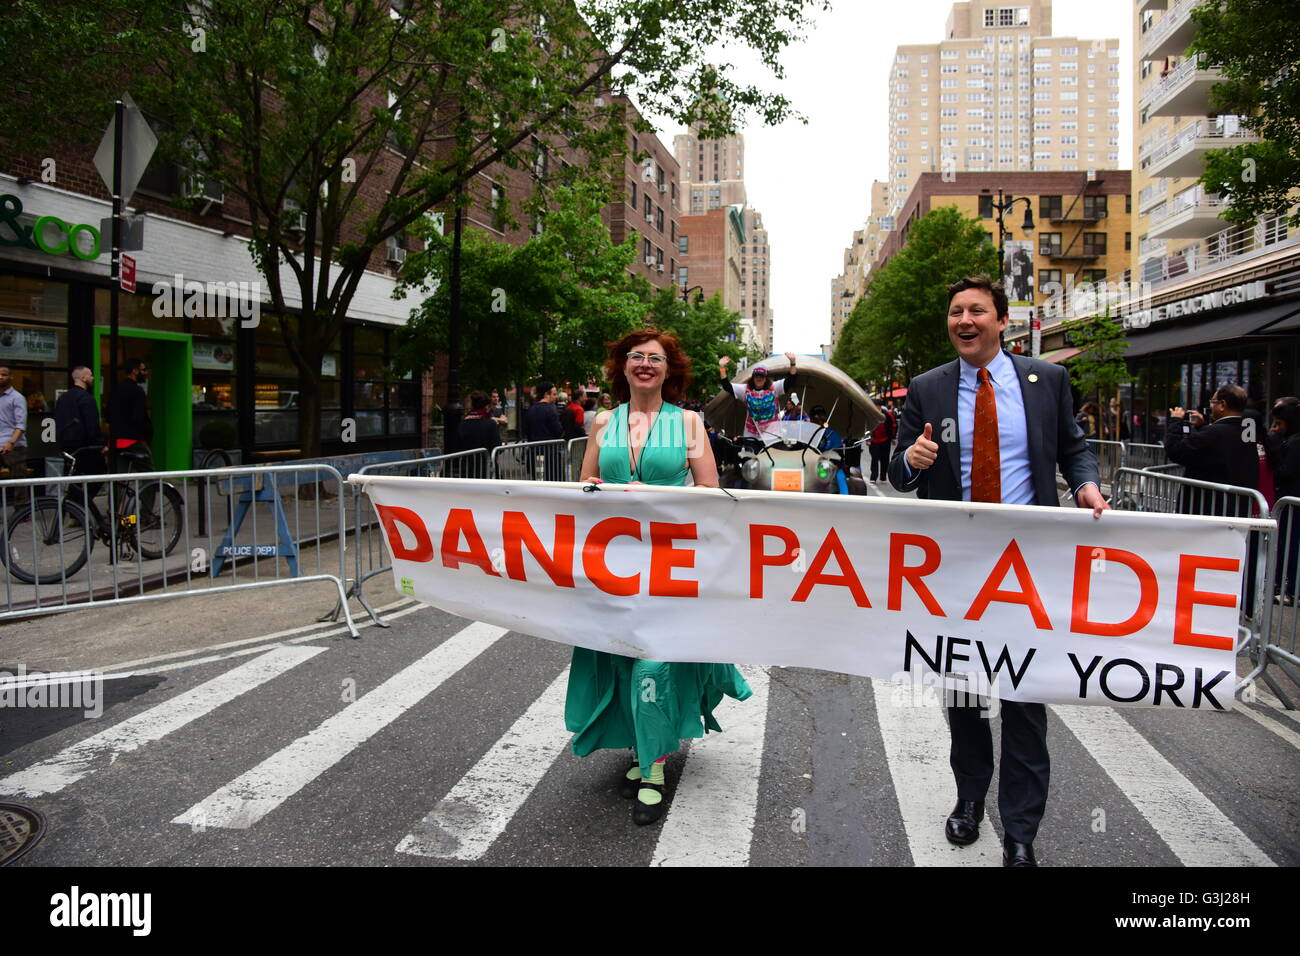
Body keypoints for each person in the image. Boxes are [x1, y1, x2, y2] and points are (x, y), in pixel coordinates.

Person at [888, 275, 1107, 868]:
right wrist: (911, 459)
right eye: (956, 312)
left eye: (977, 311)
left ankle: (1021, 831)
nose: (964, 320)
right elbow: (897, 474)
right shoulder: (927, 389)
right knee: (963, 693)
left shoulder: (1047, 380)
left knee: (1025, 698)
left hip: (1029, 564)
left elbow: (1073, 446)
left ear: (1002, 321)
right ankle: (968, 801)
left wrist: (1085, 485)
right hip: (957, 566)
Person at [572, 329, 752, 825]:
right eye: (637, 357)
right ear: (623, 366)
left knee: (655, 665)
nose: (646, 364)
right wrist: (602, 491)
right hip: (614, 566)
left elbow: (711, 492)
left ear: (669, 370)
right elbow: (584, 484)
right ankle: (640, 749)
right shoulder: (604, 421)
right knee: (624, 662)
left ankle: (652, 770)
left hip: (669, 564)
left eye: (656, 358)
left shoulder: (689, 422)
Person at [1164, 384, 1259, 515]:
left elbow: (1175, 450)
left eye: (1213, 402)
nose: (1210, 406)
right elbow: (1220, 448)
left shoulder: (1214, 432)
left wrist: (1175, 421)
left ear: (1222, 404)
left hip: (1210, 509)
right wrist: (1203, 427)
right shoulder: (1247, 430)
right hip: (1238, 505)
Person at [718, 352, 799, 440]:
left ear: (766, 378)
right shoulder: (745, 390)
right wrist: (722, 367)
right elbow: (726, 386)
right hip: (751, 434)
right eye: (756, 376)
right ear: (753, 378)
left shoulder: (774, 388)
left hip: (771, 434)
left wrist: (793, 362)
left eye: (762, 376)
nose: (759, 378)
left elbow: (791, 380)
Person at [1266, 399, 1300, 604]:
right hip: (1290, 501)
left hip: (1291, 501)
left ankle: (1290, 589)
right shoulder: (1291, 440)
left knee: (1290, 545)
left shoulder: (1294, 443)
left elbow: (1286, 472)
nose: (1276, 428)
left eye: (1279, 423)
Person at [54, 366, 108, 492]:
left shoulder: (62, 398)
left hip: (67, 446)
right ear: (83, 378)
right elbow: (92, 425)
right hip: (86, 447)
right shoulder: (86, 398)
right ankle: (81, 505)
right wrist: (100, 445)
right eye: (90, 375)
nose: (93, 378)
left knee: (74, 480)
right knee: (99, 474)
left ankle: (75, 508)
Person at [105, 358, 153, 469]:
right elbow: (139, 418)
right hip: (134, 440)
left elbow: (108, 416)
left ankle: (120, 487)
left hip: (117, 441)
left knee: (120, 476)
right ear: (135, 371)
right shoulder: (137, 391)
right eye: (143, 370)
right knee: (149, 473)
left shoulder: (115, 390)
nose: (145, 373)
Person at [456, 390, 501, 461]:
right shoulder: (490, 424)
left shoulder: (463, 423)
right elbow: (497, 447)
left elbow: (457, 446)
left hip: (466, 467)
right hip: (485, 466)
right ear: (486, 407)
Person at [0, 366, 28, 477]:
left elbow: (21, 424)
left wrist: (11, 443)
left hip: (14, 446)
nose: (0, 377)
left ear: (11, 377)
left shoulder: (17, 398)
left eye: (4, 374)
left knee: (19, 481)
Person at [867, 400, 896, 482]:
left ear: (880, 406)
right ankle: (873, 477)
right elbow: (867, 427)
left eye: (877, 405)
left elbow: (893, 425)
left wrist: (893, 438)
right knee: (874, 459)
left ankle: (883, 476)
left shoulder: (887, 414)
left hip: (885, 440)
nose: (876, 407)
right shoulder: (870, 414)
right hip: (874, 440)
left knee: (885, 459)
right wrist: (868, 439)